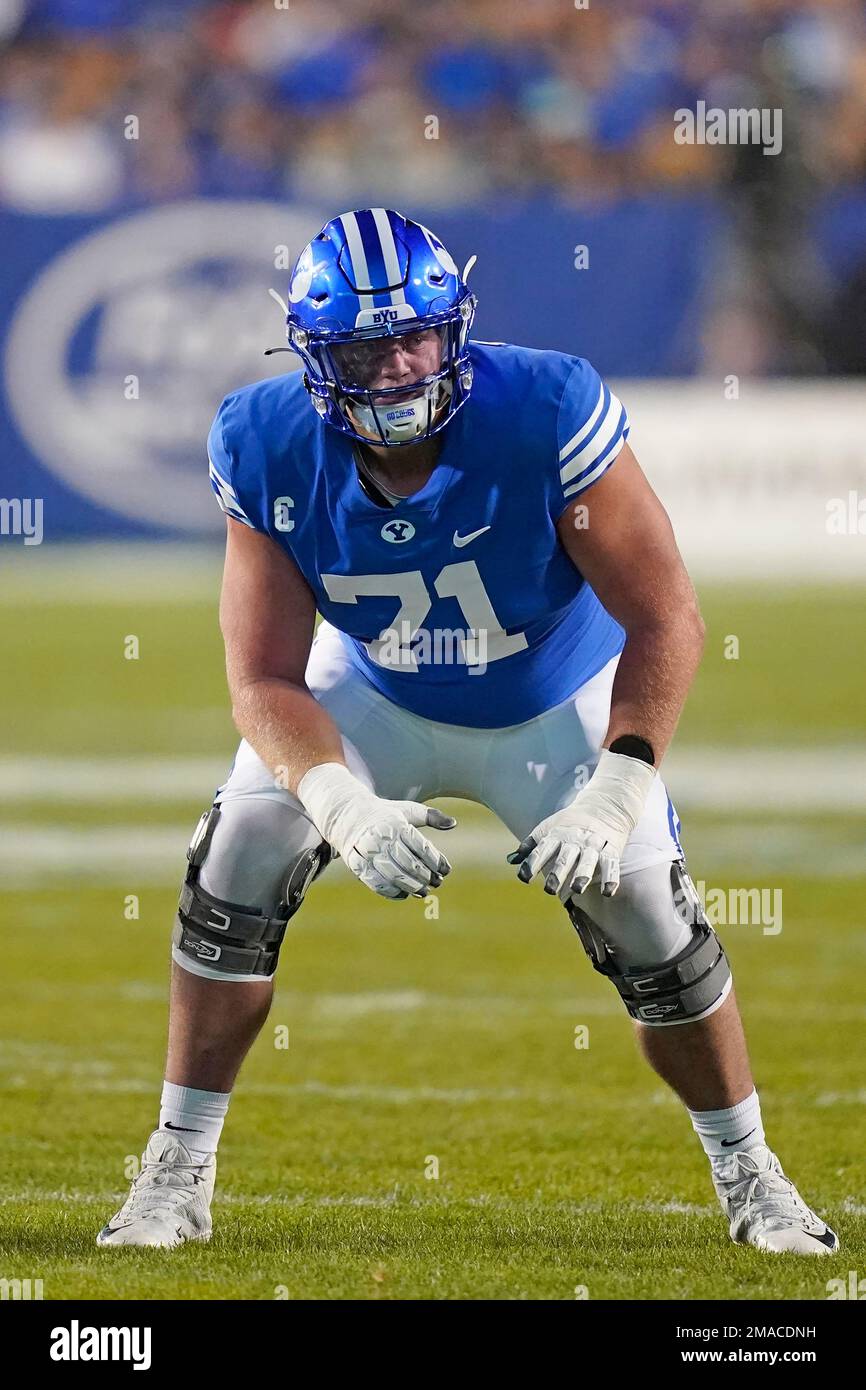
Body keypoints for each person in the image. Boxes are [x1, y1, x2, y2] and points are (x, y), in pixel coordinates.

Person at [97, 208, 837, 1256]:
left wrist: (620, 786)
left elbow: (665, 614)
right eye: (366, 346)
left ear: (456, 327)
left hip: (550, 697)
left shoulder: (542, 408)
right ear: (317, 358)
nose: (398, 365)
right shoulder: (264, 439)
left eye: (416, 334)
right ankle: (174, 1172)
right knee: (241, 849)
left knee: (643, 908)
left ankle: (749, 1172)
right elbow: (263, 675)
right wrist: (335, 798)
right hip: (373, 693)